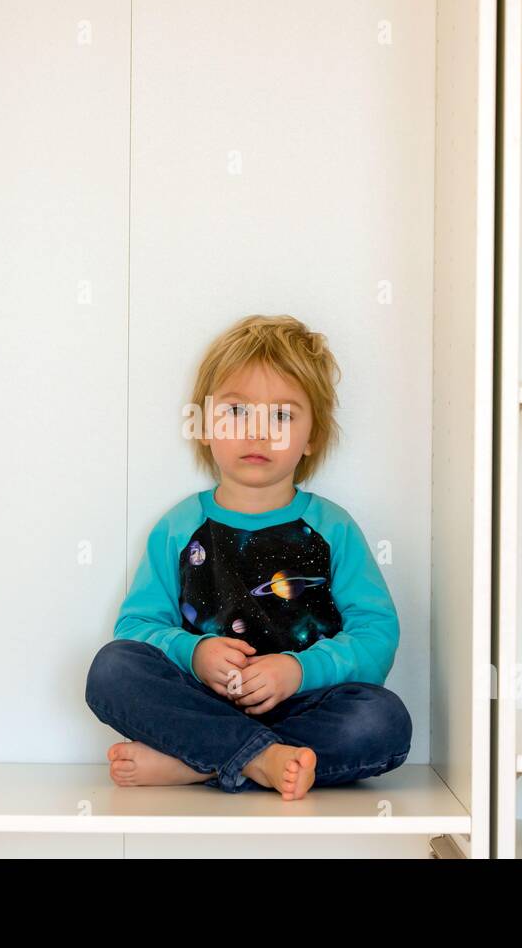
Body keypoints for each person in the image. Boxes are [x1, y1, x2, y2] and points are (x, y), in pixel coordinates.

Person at [84, 314, 410, 800]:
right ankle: (258, 758)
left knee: (383, 719)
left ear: (312, 436)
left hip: (303, 708)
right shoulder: (178, 527)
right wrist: (194, 655)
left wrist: (298, 671)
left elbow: (377, 635)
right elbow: (136, 628)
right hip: (199, 705)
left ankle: (199, 763)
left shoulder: (333, 528)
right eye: (236, 412)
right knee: (112, 669)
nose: (258, 433)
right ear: (204, 426)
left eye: (281, 416)